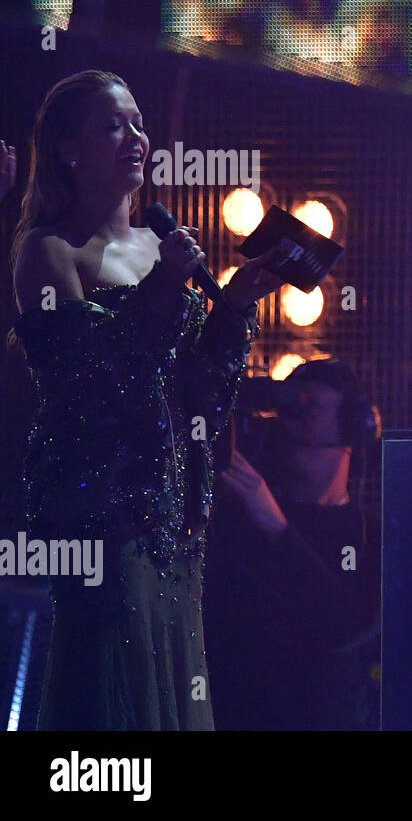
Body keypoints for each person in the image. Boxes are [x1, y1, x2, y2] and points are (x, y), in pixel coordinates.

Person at [6, 69, 281, 730]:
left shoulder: (161, 245)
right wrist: (165, 287)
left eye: (137, 122)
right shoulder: (47, 251)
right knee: (115, 691)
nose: (135, 137)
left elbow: (200, 398)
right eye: (112, 125)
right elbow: (91, 380)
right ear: (69, 147)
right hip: (104, 513)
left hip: (176, 519)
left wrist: (234, 305)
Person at [203, 359, 381, 730]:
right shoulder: (237, 516)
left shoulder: (368, 536)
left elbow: (345, 625)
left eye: (309, 407)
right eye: (289, 405)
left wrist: (276, 527)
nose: (291, 421)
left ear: (351, 428)